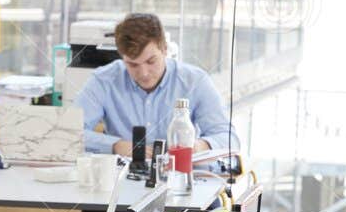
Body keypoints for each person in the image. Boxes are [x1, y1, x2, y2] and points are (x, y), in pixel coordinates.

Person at [75, 12, 237, 157]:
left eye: (151, 61)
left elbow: (228, 138)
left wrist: (197, 147)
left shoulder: (195, 81)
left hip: (178, 177)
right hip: (122, 179)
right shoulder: (103, 80)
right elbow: (68, 134)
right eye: (133, 64)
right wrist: (115, 146)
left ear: (165, 49)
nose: (144, 73)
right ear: (122, 57)